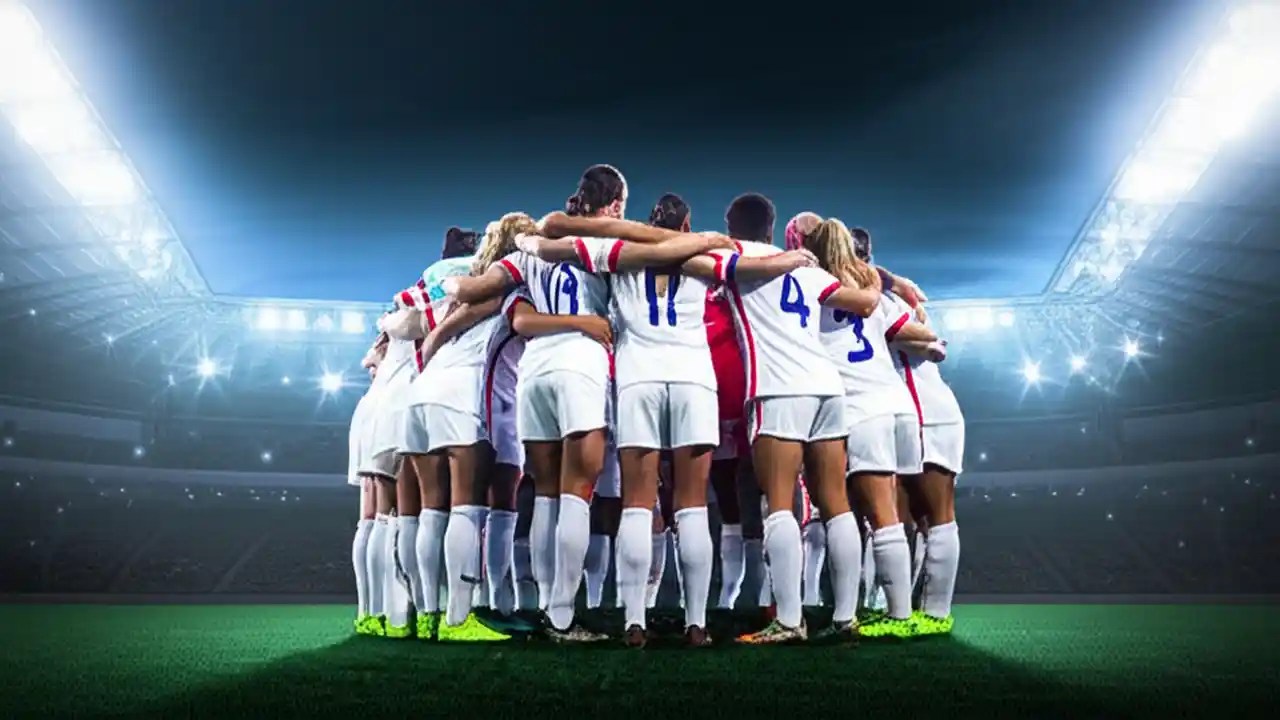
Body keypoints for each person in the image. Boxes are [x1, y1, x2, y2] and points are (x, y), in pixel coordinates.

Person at [447, 164, 734, 641]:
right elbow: (659, 252)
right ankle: (575, 615)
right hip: (585, 367)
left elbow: (475, 291)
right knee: (582, 495)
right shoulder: (603, 249)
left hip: (534, 372)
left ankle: (548, 608)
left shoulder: (532, 249)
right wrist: (704, 240)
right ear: (617, 203)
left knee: (545, 495)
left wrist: (443, 290)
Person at [804, 218, 939, 640]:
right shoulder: (871, 290)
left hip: (861, 408)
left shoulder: (814, 289)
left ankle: (898, 616)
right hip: (898, 405)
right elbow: (921, 335)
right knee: (896, 515)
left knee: (879, 517)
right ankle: (883, 610)